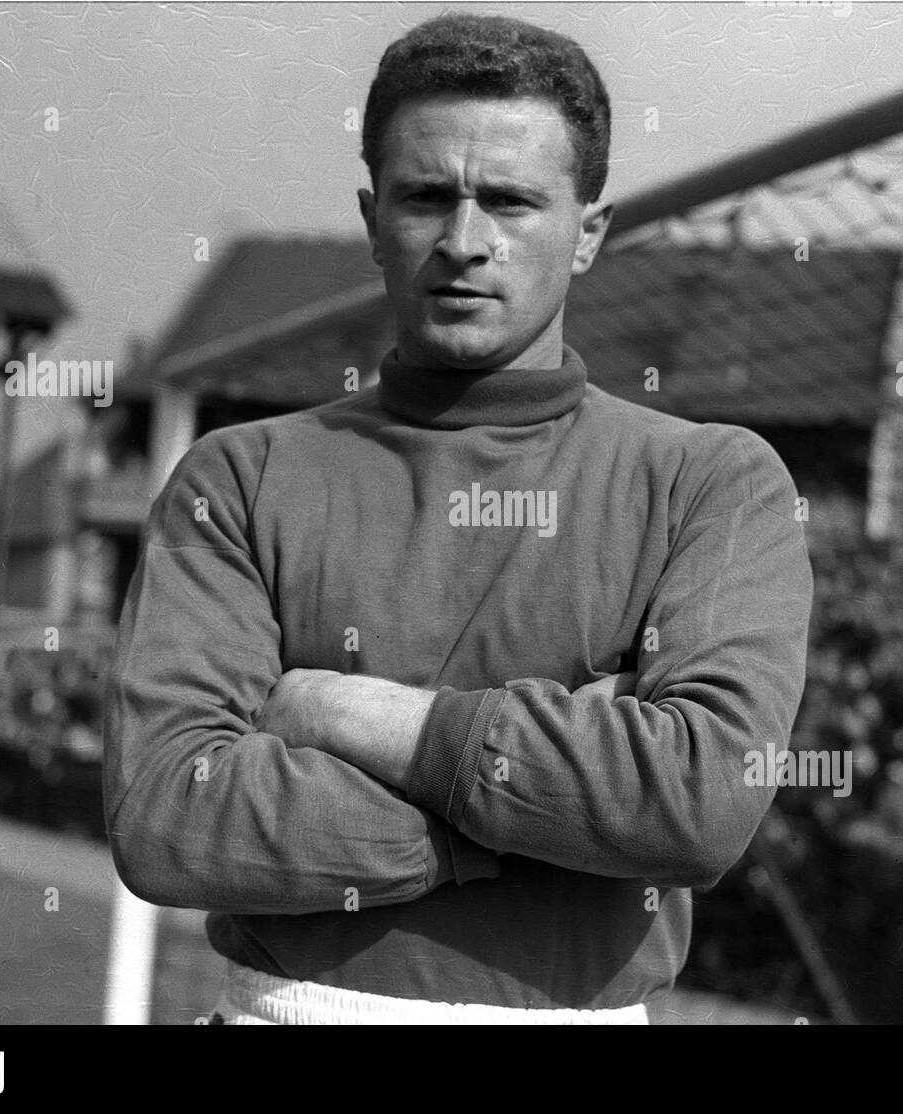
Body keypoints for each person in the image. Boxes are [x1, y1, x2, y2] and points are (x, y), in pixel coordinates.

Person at [103, 11, 813, 1025]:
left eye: (513, 201)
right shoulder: (239, 477)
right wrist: (540, 810)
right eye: (426, 197)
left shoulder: (712, 482)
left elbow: (699, 799)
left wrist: (358, 718)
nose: (464, 242)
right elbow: (166, 814)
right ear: (372, 217)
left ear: (589, 233)